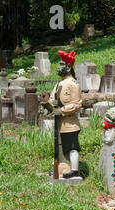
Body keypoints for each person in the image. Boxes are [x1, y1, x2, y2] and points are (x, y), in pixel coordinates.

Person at [47, 50, 82, 179]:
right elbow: (52, 99)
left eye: (61, 65)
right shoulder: (59, 84)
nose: (58, 67)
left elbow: (77, 104)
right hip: (59, 123)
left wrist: (61, 110)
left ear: (68, 67)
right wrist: (49, 105)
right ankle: (60, 170)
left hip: (70, 122)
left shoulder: (73, 84)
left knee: (72, 146)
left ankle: (74, 170)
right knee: (59, 148)